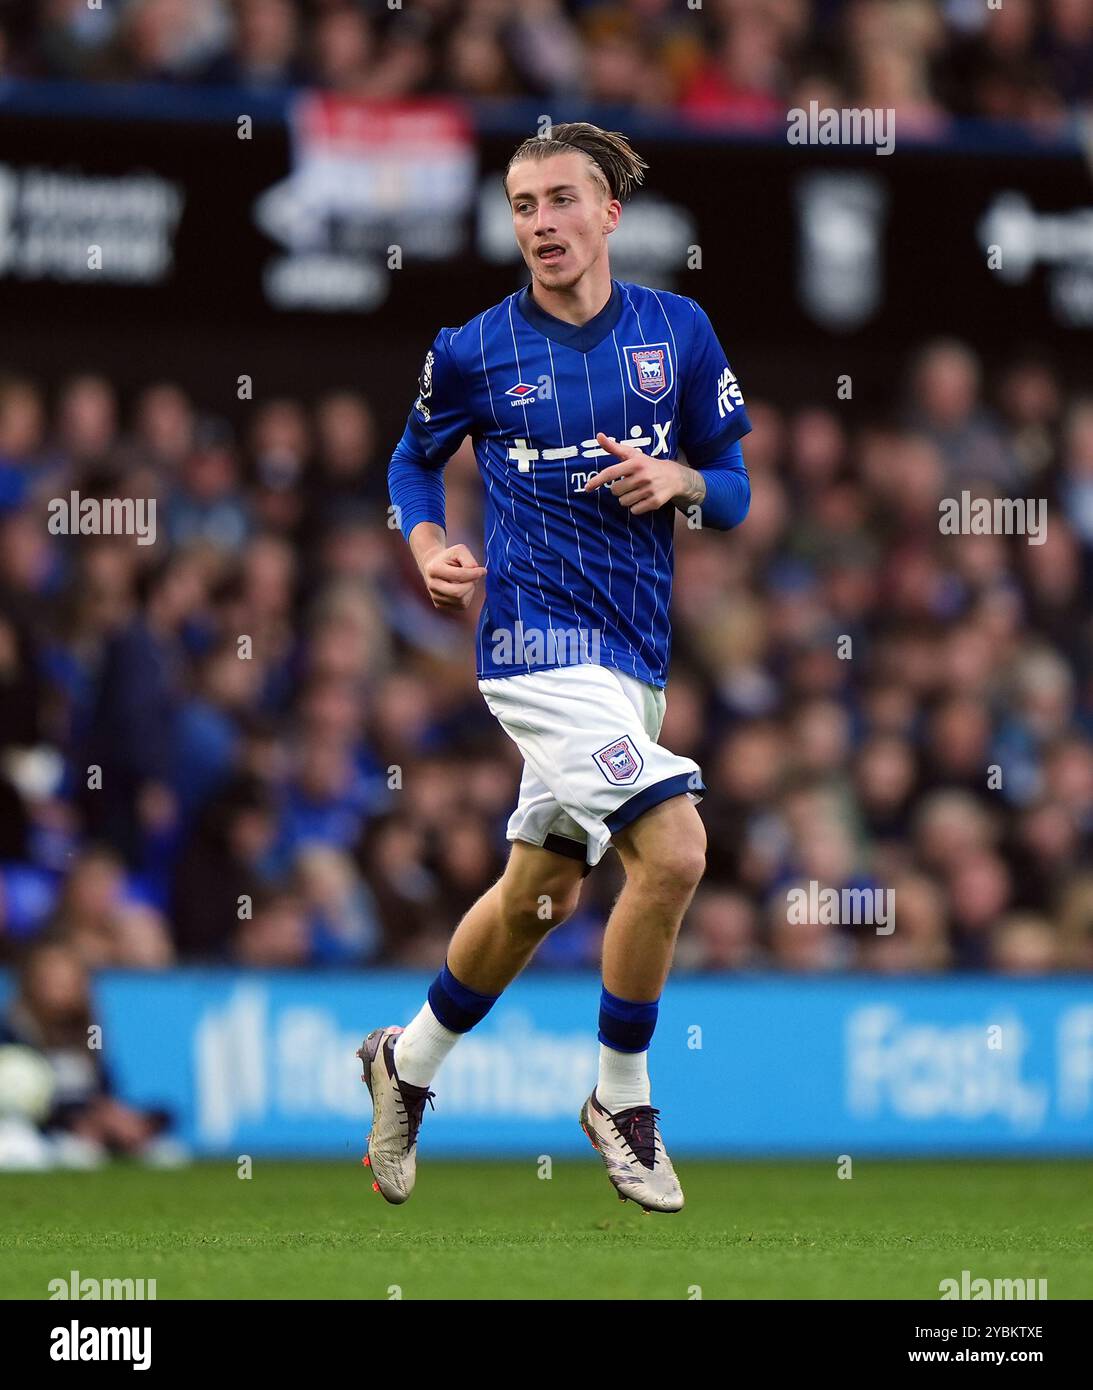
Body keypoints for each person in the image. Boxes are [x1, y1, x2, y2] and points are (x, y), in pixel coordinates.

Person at [368, 122, 752, 1212]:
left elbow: (733, 492)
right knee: (673, 851)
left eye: (560, 201)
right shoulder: (474, 348)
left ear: (608, 213)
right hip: (532, 646)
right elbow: (412, 458)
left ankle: (407, 1064)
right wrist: (428, 546)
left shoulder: (678, 334)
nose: (540, 223)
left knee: (538, 893)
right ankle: (620, 1098)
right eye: (523, 205)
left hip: (632, 654)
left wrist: (677, 480)